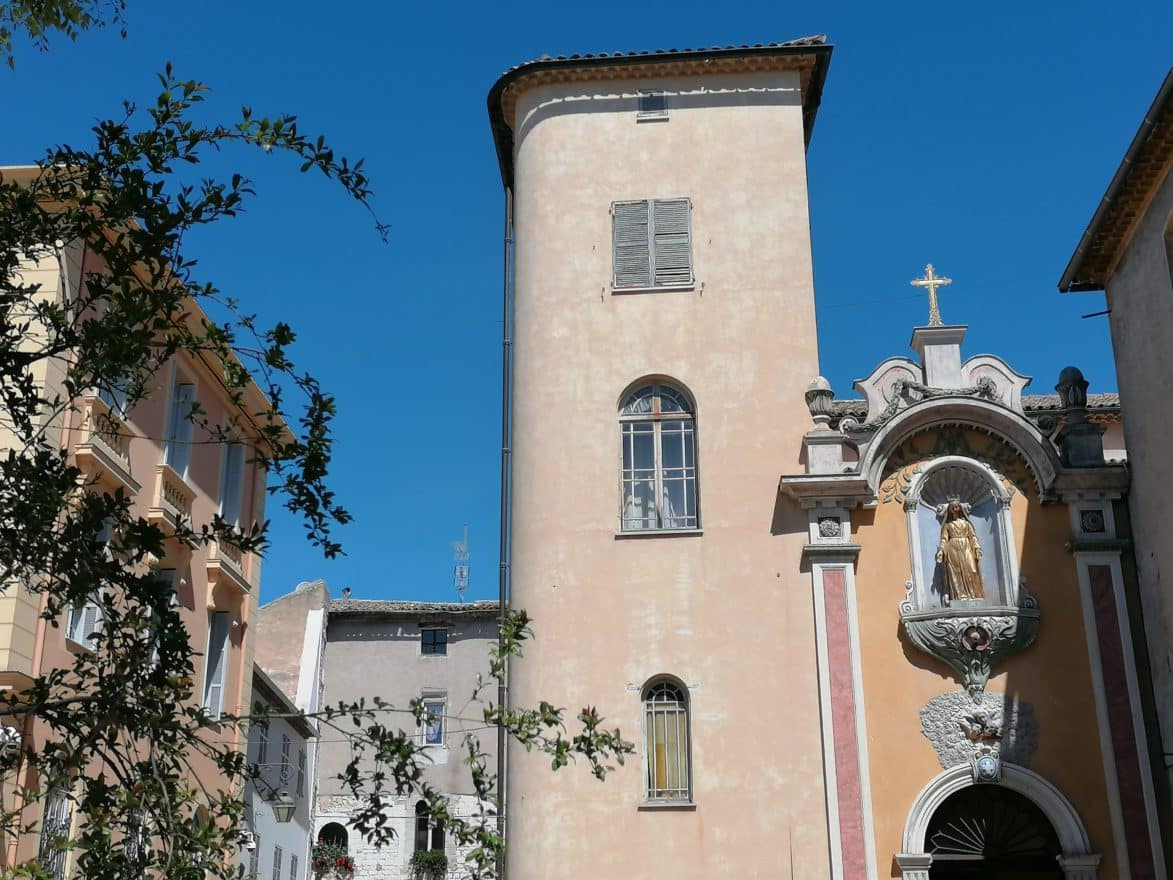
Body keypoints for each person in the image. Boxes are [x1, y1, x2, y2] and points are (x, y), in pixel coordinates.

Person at [936, 500, 985, 600]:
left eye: (956, 507)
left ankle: (975, 595)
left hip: (966, 546)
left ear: (960, 508)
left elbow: (973, 537)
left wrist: (977, 548)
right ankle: (960, 596)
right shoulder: (948, 525)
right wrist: (941, 550)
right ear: (950, 510)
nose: (955, 509)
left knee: (972, 569)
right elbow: (944, 539)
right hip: (952, 548)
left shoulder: (966, 524)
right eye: (952, 507)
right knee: (956, 572)